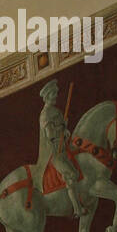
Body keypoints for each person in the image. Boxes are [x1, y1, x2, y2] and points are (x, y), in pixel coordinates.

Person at [36, 79, 85, 216]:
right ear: (47, 96)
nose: (56, 96)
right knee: (71, 174)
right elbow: (50, 134)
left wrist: (66, 129)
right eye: (54, 94)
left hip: (64, 147)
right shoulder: (45, 115)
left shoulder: (56, 111)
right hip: (54, 153)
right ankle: (77, 209)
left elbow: (64, 130)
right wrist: (61, 130)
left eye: (56, 94)